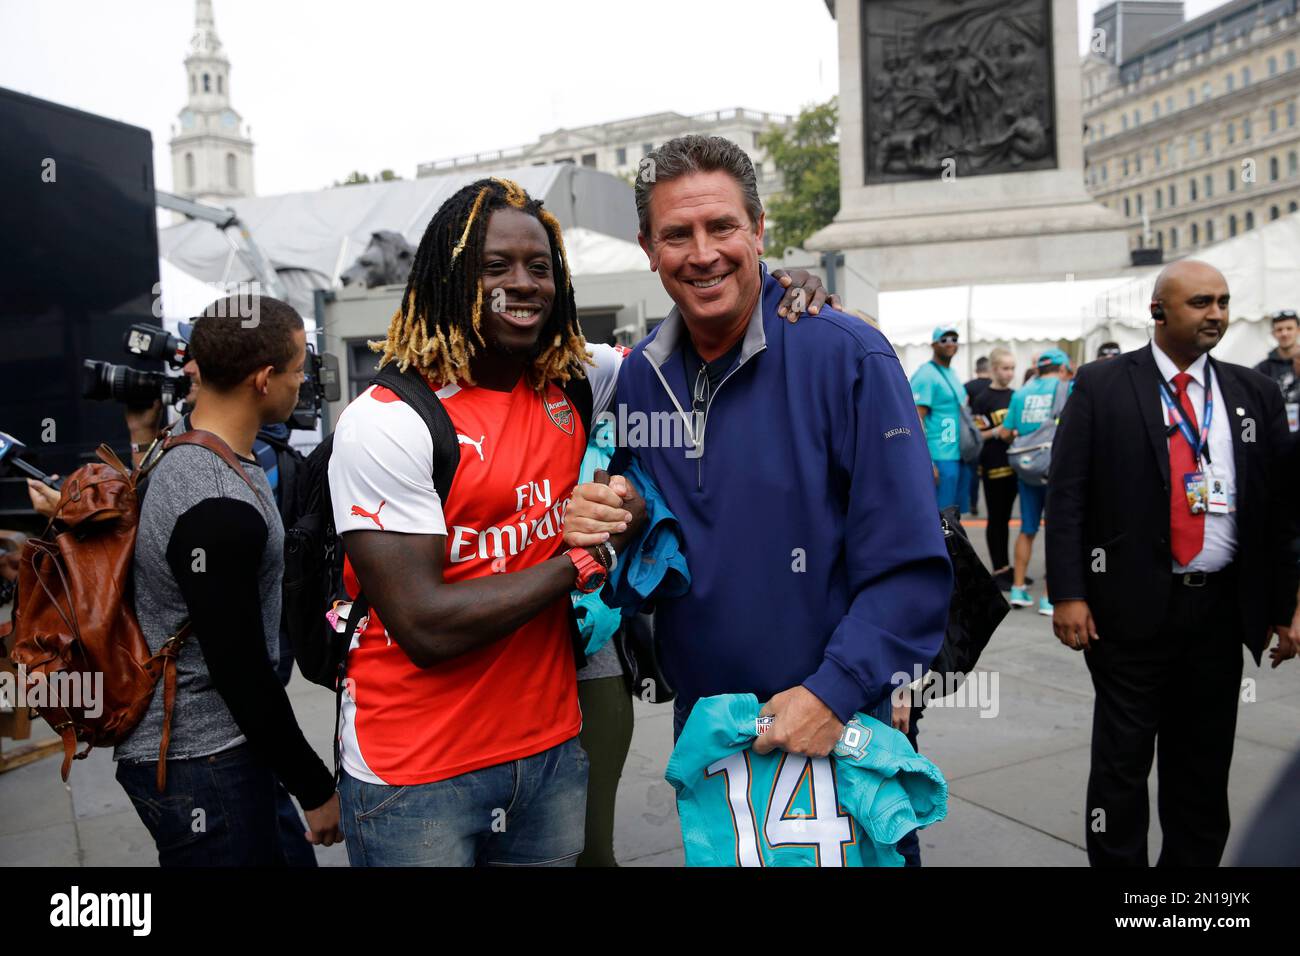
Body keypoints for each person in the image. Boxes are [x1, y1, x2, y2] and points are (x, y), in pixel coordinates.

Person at [324, 176, 836, 867]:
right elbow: (426, 625)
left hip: (549, 753)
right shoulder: (386, 422)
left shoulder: (577, 378)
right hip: (415, 773)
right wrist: (586, 558)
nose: (524, 283)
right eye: (495, 266)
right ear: (448, 276)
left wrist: (778, 289)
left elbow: (691, 346)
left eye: (540, 267)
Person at [564, 134, 951, 864]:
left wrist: (834, 692)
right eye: (677, 234)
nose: (702, 253)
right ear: (649, 248)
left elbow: (909, 566)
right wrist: (618, 518)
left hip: (833, 725)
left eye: (722, 227)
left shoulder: (847, 355)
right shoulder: (642, 376)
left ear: (760, 229)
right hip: (713, 737)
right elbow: (648, 541)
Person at [1047, 259, 1300, 866]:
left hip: (1219, 613)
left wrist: (1287, 604)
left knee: (1203, 772)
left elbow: (1279, 510)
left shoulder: (1253, 393)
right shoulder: (1103, 384)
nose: (1216, 313)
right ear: (1158, 312)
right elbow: (1068, 493)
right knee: (1121, 768)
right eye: (1200, 303)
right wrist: (1068, 592)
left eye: (1223, 301)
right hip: (1126, 614)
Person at [113, 294, 342, 866]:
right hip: (202, 763)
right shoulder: (215, 500)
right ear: (264, 379)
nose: (301, 384)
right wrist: (314, 787)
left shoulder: (189, 445)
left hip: (221, 751)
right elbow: (237, 667)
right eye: (296, 371)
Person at [999, 349, 1071, 615]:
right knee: (1057, 531)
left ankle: (1018, 588)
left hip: (1027, 468)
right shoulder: (1066, 388)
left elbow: (1006, 432)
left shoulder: (1021, 393)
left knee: (1027, 528)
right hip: (1056, 467)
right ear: (1062, 368)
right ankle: (1050, 598)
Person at [971, 346, 1017, 588]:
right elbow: (979, 435)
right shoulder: (983, 399)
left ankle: (1008, 567)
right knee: (996, 519)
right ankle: (999, 569)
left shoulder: (1016, 396)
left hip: (1014, 465)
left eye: (1012, 368)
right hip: (993, 465)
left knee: (1007, 518)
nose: (1009, 373)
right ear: (993, 368)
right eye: (1005, 368)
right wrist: (1000, 431)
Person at [911, 326, 969, 511]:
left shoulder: (952, 373)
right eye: (944, 339)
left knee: (951, 521)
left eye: (954, 338)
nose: (950, 343)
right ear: (934, 344)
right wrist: (928, 462)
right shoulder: (926, 374)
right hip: (939, 456)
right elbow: (914, 420)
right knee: (940, 521)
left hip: (956, 455)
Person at [1253, 309, 1299, 434]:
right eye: (1279, 329)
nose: (1284, 333)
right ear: (1273, 334)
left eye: (1289, 328)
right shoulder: (1262, 369)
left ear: (1298, 330)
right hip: (1276, 438)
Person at [964, 356, 991, 515]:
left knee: (973, 472)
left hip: (974, 435)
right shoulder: (993, 387)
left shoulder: (967, 387)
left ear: (976, 369)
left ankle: (973, 503)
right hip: (991, 438)